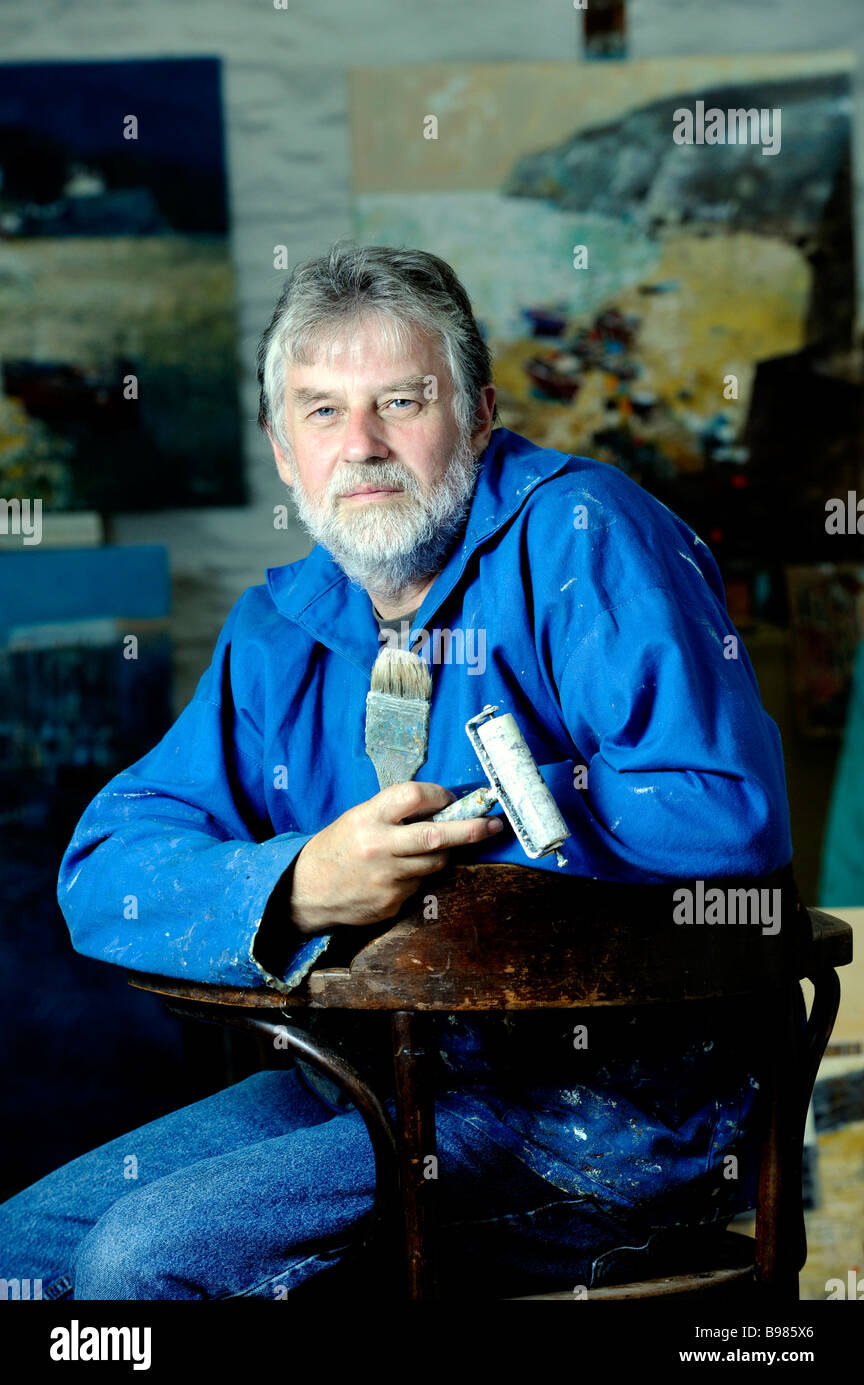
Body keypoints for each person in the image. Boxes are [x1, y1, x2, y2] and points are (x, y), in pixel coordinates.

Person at [0, 243, 793, 1300]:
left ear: (477, 413)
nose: (361, 446)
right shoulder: (277, 627)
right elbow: (106, 862)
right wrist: (297, 884)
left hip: (594, 1122)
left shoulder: (586, 534)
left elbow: (728, 810)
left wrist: (478, 822)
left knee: (142, 1259)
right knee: (23, 1253)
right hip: (361, 1085)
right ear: (284, 452)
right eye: (322, 412)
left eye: (401, 402)